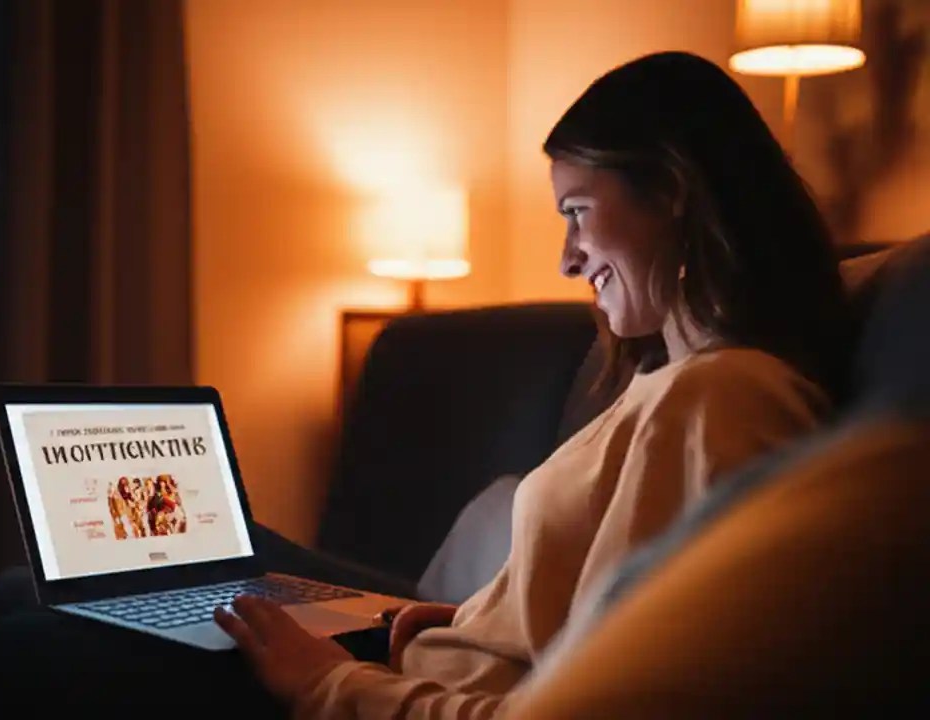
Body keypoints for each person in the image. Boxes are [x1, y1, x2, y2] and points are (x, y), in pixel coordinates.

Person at [214, 50, 849, 718]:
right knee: (227, 564)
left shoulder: (724, 401)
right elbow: (581, 629)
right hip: (420, 667)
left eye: (578, 211)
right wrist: (485, 622)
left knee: (179, 603)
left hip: (378, 701)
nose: (568, 259)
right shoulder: (676, 383)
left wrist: (328, 686)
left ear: (671, 193)